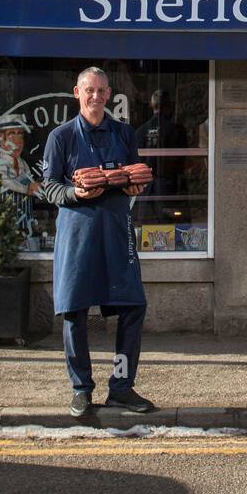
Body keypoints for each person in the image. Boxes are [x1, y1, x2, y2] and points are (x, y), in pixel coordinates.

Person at [42, 66, 155, 417]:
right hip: (77, 236)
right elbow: (49, 187)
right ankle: (81, 389)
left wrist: (135, 186)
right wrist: (74, 191)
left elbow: (133, 177)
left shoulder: (124, 134)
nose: (96, 96)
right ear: (77, 93)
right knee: (74, 312)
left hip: (117, 232)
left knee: (133, 307)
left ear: (109, 95)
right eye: (89, 90)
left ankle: (121, 387)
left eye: (102, 91)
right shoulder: (60, 137)